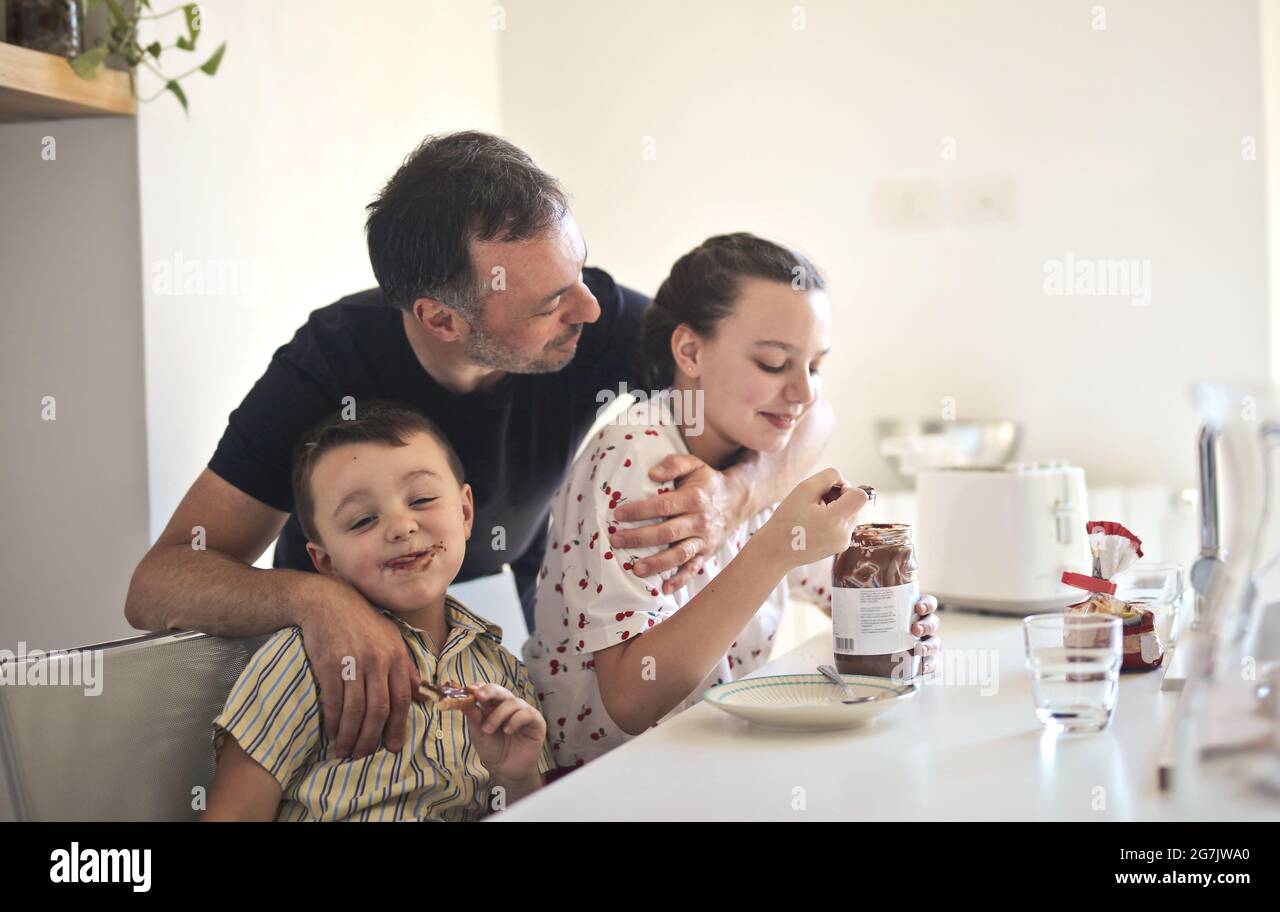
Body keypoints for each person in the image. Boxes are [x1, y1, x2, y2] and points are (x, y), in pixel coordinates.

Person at [125, 132, 831, 762]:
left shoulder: (590, 316)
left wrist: (737, 496)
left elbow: (808, 409)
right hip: (352, 694)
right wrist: (317, 601)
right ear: (441, 318)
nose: (587, 307)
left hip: (500, 671)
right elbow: (158, 583)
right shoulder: (327, 365)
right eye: (549, 302)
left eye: (579, 273)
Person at [524, 234, 941, 767]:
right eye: (773, 363)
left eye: (814, 366)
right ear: (691, 351)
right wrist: (774, 550)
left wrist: (900, 616)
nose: (805, 393)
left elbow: (837, 586)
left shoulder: (757, 456)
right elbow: (629, 701)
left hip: (712, 756)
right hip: (610, 780)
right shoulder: (637, 461)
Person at [202, 402, 550, 821]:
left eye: (421, 499)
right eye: (363, 520)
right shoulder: (304, 661)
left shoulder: (505, 674)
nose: (401, 527)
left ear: (465, 512)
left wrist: (517, 778)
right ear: (326, 561)